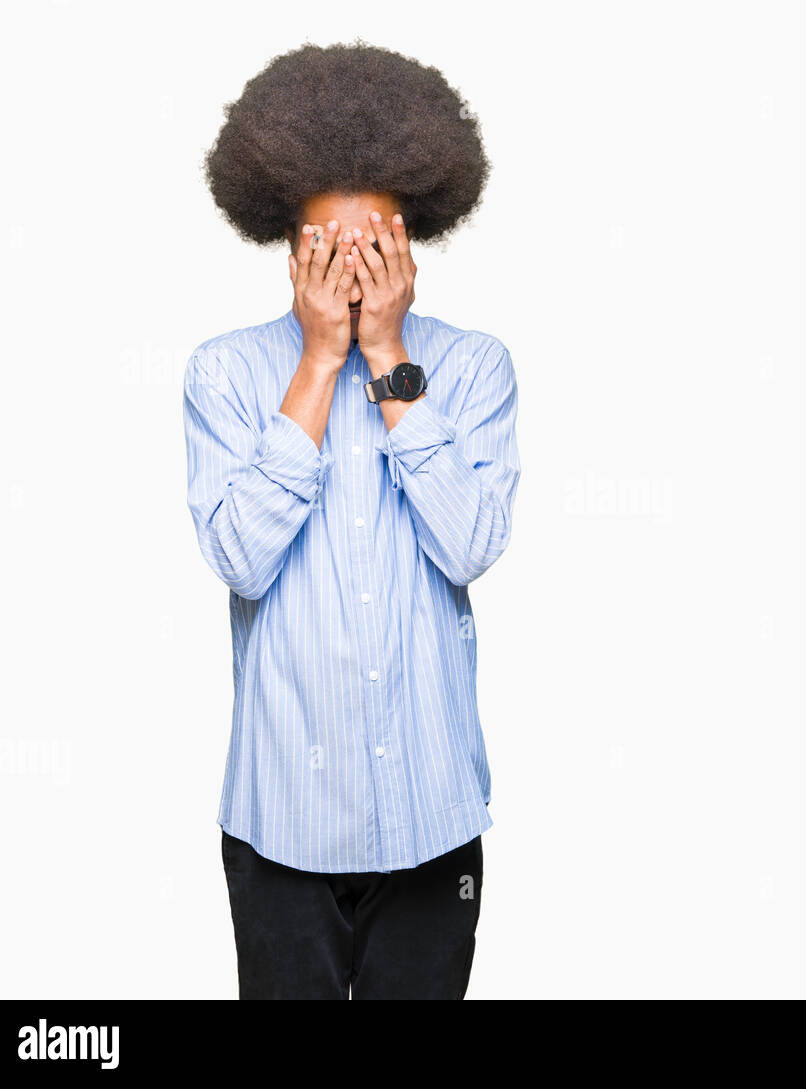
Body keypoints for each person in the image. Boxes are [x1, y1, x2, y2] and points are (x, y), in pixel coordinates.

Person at [182, 41, 520, 1000]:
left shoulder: (474, 368)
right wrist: (322, 366)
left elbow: (472, 543)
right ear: (291, 253)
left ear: (411, 245)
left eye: (376, 244)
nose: (354, 268)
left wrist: (388, 360)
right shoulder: (226, 373)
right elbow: (240, 558)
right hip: (282, 823)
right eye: (330, 248)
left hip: (432, 815)